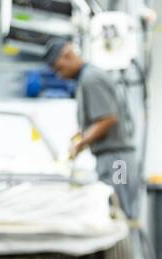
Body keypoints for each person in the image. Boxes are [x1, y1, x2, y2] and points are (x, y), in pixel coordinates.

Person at [49, 41, 140, 221]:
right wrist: (81, 135)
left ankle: (127, 249)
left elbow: (108, 118)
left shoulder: (91, 78)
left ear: (68, 55)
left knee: (119, 210)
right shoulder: (88, 78)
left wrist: (80, 144)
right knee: (115, 210)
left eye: (59, 69)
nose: (60, 76)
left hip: (117, 162)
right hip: (113, 158)